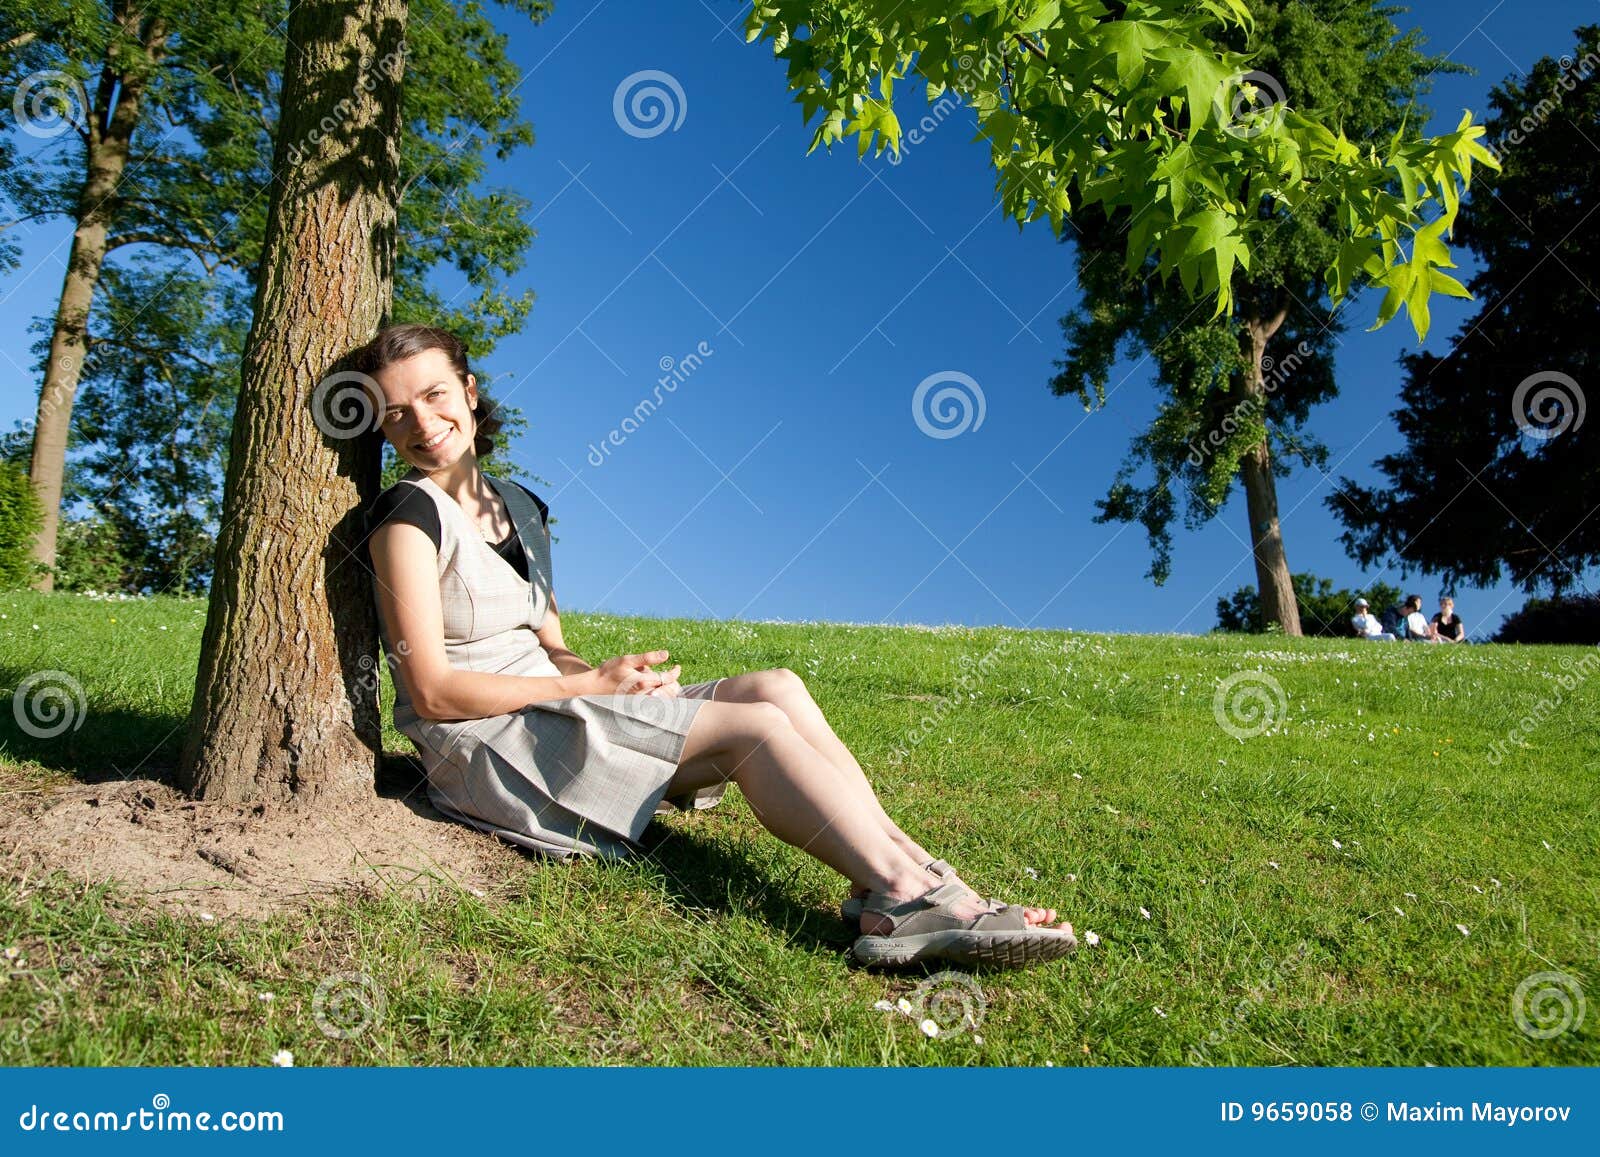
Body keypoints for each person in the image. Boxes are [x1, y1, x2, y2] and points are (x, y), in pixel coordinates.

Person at [352, 323, 1076, 970]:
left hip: (554, 708)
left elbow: (553, 644)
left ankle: (911, 883)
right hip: (487, 743)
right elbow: (432, 692)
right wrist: (583, 689)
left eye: (436, 393)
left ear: (471, 392)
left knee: (777, 688)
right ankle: (911, 894)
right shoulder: (405, 517)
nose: (423, 421)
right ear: (383, 431)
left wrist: (619, 681)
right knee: (754, 732)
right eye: (397, 413)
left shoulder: (523, 507)